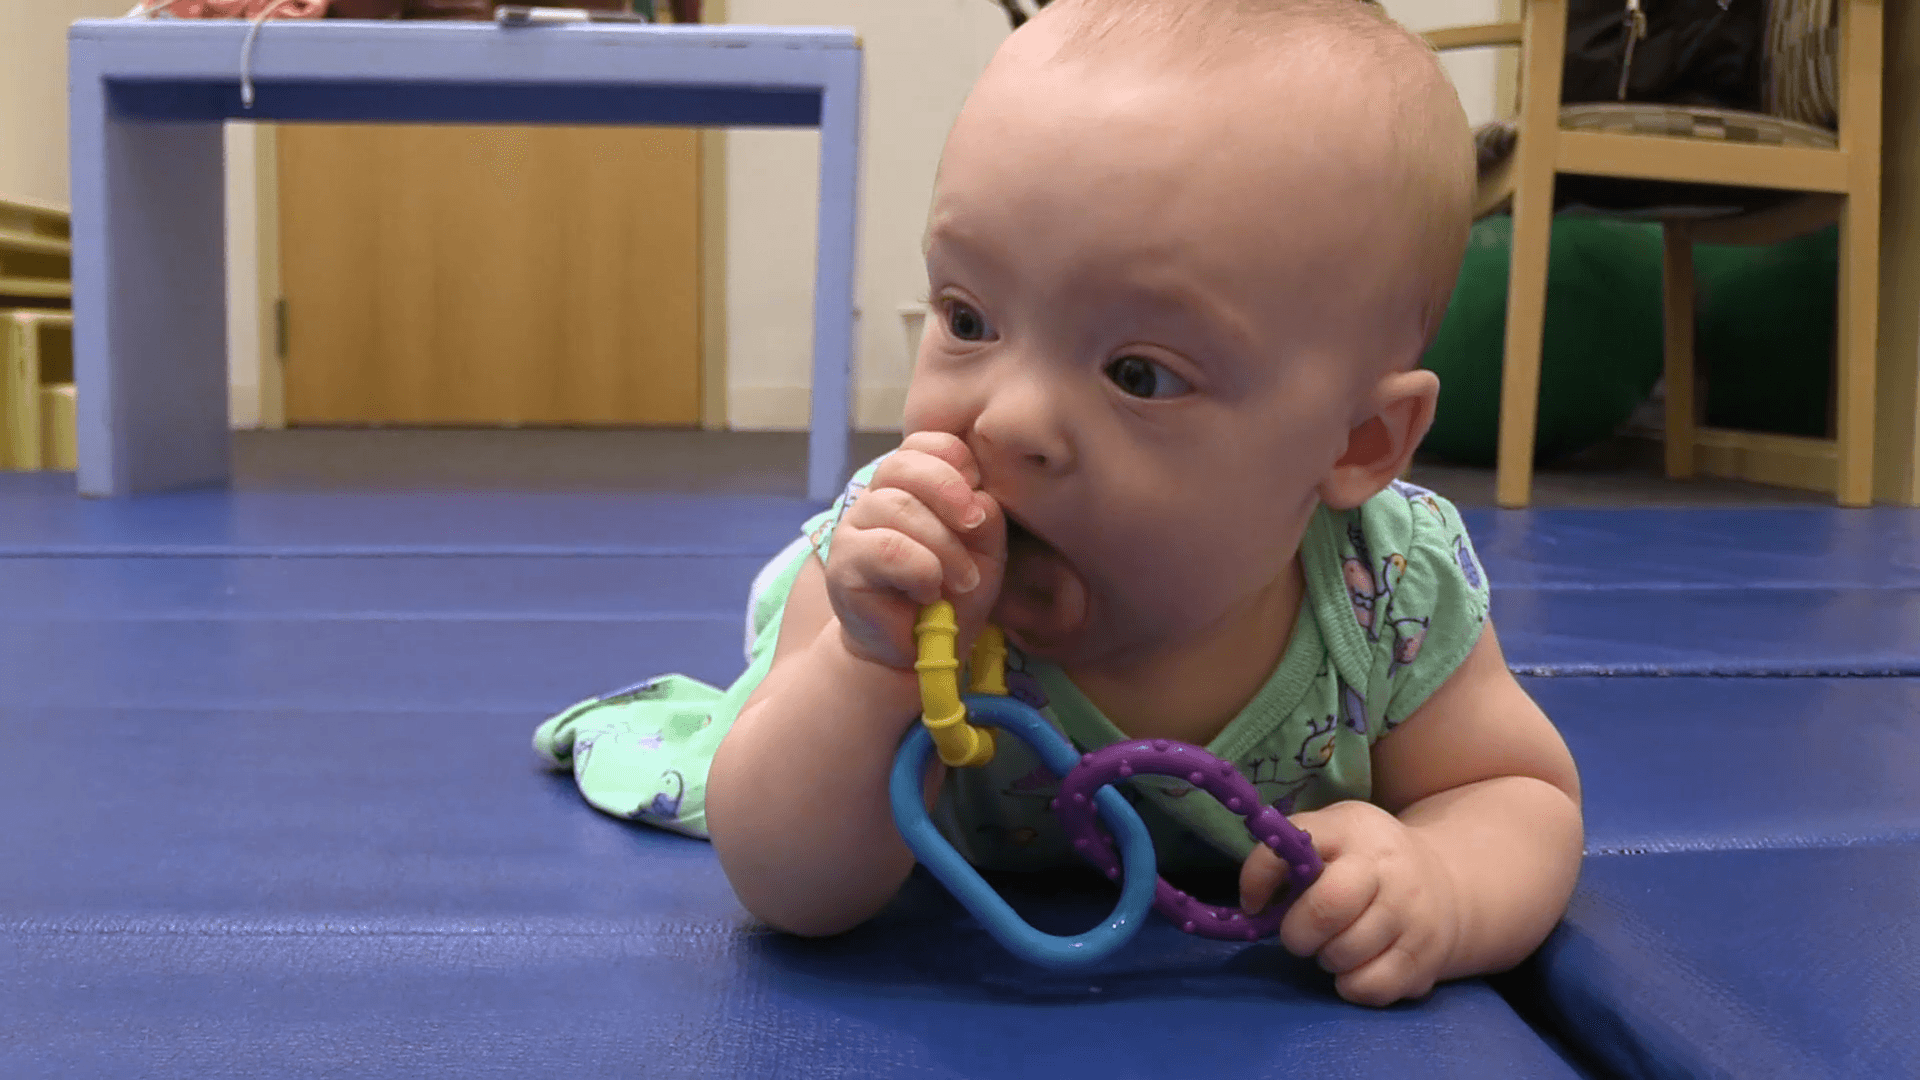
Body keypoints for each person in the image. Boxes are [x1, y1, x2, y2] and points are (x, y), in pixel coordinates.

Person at [535, 0, 1583, 1008]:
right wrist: (869, 673)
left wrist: (1444, 882)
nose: (1009, 421)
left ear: (1356, 443)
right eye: (968, 318)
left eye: (1138, 374)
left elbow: (1517, 795)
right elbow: (791, 893)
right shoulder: (893, 573)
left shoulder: (1386, 589)